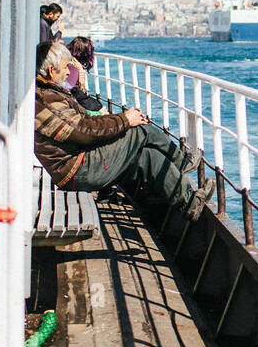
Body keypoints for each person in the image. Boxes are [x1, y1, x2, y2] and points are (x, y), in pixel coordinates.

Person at [34, 40, 213, 219]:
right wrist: (126, 120)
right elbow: (84, 132)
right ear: (51, 71)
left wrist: (123, 118)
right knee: (140, 131)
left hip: (76, 165)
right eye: (66, 67)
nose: (68, 72)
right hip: (75, 170)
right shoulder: (46, 100)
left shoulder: (49, 94)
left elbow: (85, 124)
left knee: (148, 156)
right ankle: (181, 162)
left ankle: (190, 204)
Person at [65, 35, 103, 113]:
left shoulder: (70, 63)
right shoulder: (74, 69)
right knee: (101, 109)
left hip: (74, 99)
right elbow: (67, 90)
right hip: (72, 103)